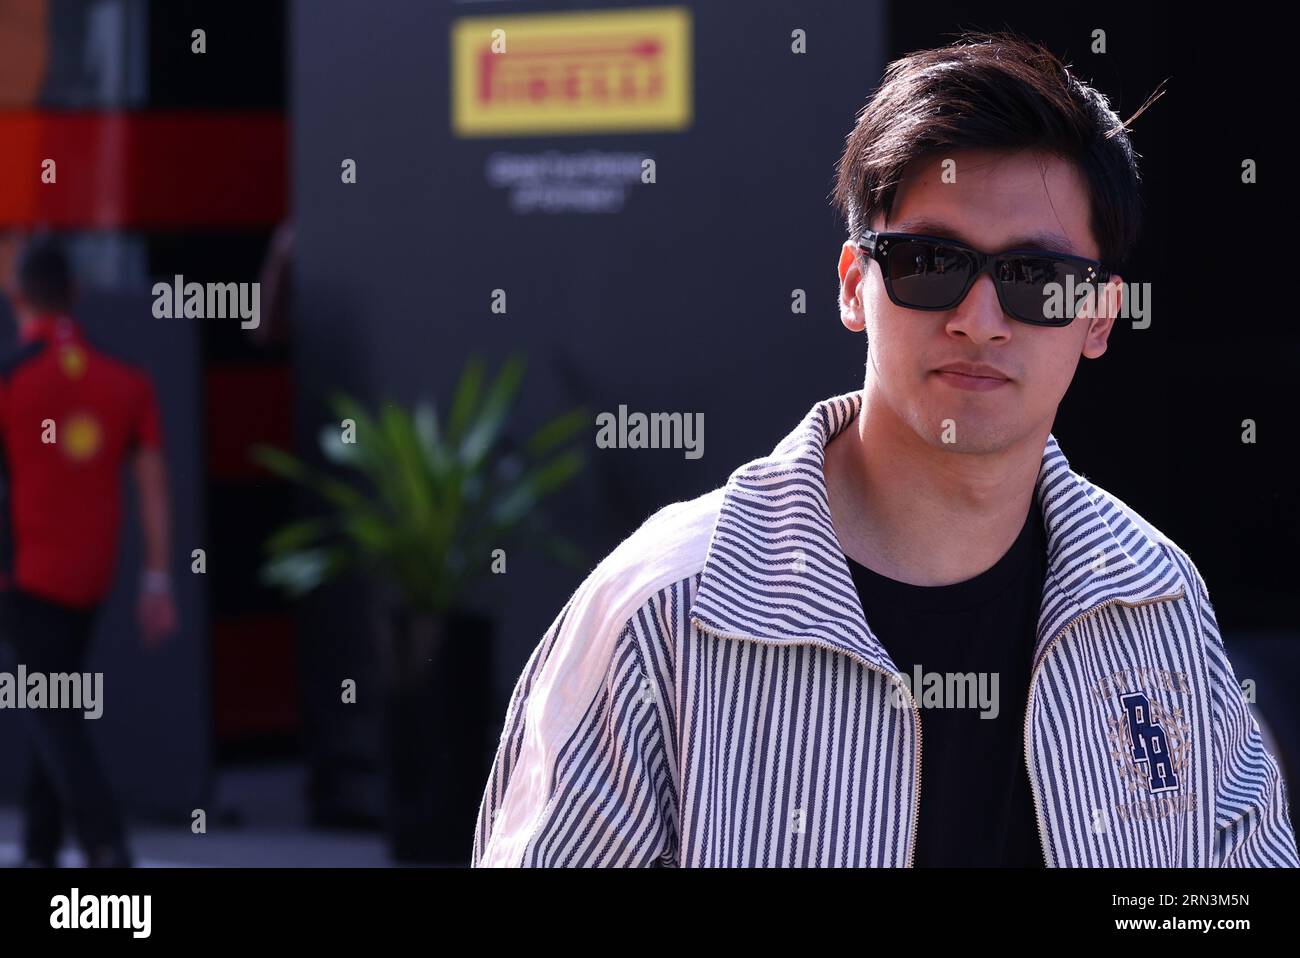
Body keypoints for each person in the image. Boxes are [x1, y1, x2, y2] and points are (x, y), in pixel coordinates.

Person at [471, 32, 1298, 867]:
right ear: (851, 286)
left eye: (1037, 278)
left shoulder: (1155, 603)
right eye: (931, 261)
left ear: (1099, 316)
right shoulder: (666, 611)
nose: (979, 319)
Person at [0, 235, 178, 867]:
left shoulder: (12, 379)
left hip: (27, 579)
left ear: (17, 294)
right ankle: (41, 846)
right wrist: (157, 579)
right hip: (92, 578)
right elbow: (153, 481)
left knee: (54, 715)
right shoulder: (124, 381)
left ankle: (106, 845)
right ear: (75, 295)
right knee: (57, 701)